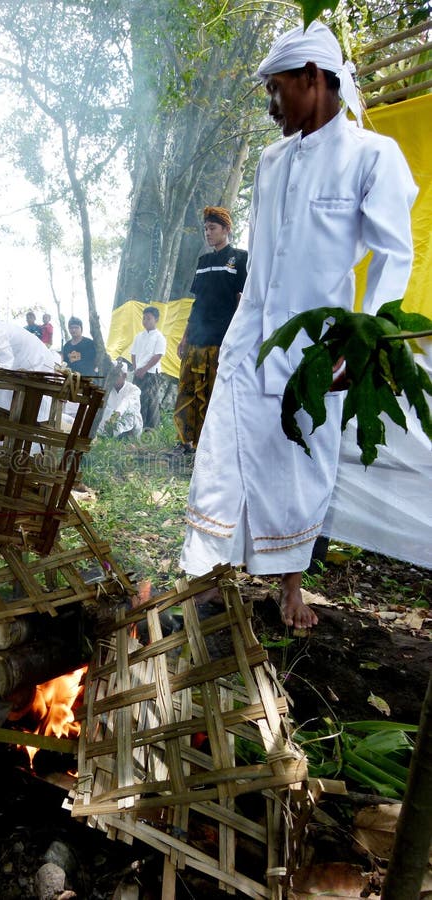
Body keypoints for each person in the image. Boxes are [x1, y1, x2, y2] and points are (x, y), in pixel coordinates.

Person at [180, 21, 417, 630]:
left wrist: (362, 345)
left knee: (299, 461)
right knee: (223, 452)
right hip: (249, 334)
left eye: (276, 89)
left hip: (318, 347)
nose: (270, 105)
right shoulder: (269, 159)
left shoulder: (371, 155)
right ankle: (206, 577)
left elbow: (395, 253)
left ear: (314, 79)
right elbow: (264, 256)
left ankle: (290, 586)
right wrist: (239, 332)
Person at [172, 206, 247, 455]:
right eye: (205, 229)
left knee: (212, 393)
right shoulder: (203, 262)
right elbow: (198, 302)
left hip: (220, 339)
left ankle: (208, 445)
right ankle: (185, 442)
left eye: (212, 228)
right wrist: (185, 336)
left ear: (226, 229)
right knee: (187, 390)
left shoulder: (239, 258)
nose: (208, 233)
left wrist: (237, 336)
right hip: (196, 339)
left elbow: (240, 300)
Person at [131, 306, 166, 430]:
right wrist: (136, 369)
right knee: (136, 398)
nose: (145, 321)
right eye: (144, 318)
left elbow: (158, 356)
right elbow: (133, 354)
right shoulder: (139, 336)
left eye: (149, 318)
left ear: (156, 319)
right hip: (138, 372)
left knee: (149, 400)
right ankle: (135, 426)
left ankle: (150, 427)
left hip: (151, 373)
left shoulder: (159, 337)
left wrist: (144, 369)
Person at [97, 362, 143, 439]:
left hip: (130, 428)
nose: (113, 379)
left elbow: (126, 402)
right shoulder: (107, 389)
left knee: (129, 413)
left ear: (124, 376)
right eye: (111, 376)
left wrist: (116, 415)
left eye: (116, 376)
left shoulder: (133, 390)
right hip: (108, 427)